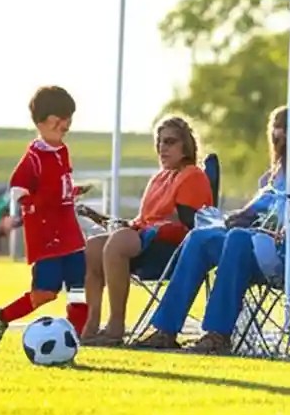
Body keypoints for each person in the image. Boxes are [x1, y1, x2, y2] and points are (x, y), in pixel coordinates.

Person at [131, 107, 290, 351]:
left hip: (281, 251)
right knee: (201, 237)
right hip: (250, 243)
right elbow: (254, 209)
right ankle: (166, 330)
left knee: (238, 238)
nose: (285, 145)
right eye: (277, 139)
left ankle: (218, 334)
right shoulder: (275, 177)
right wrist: (237, 216)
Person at [80, 116, 214, 346]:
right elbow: (143, 219)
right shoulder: (158, 178)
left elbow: (189, 222)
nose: (163, 147)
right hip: (143, 238)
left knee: (119, 242)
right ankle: (90, 326)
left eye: (170, 142)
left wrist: (139, 230)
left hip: (172, 248)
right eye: (159, 142)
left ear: (186, 146)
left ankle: (115, 327)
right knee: (93, 246)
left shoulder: (193, 175)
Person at [0, 86, 91, 349]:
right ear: (41, 121)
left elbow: (59, 187)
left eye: (68, 118)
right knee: (45, 293)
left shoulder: (63, 152)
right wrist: (15, 216)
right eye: (58, 119)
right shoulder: (32, 159)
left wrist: (72, 192)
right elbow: (18, 192)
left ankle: (73, 342)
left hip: (71, 235)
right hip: (47, 238)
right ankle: (1, 317)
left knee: (79, 292)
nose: (64, 124)